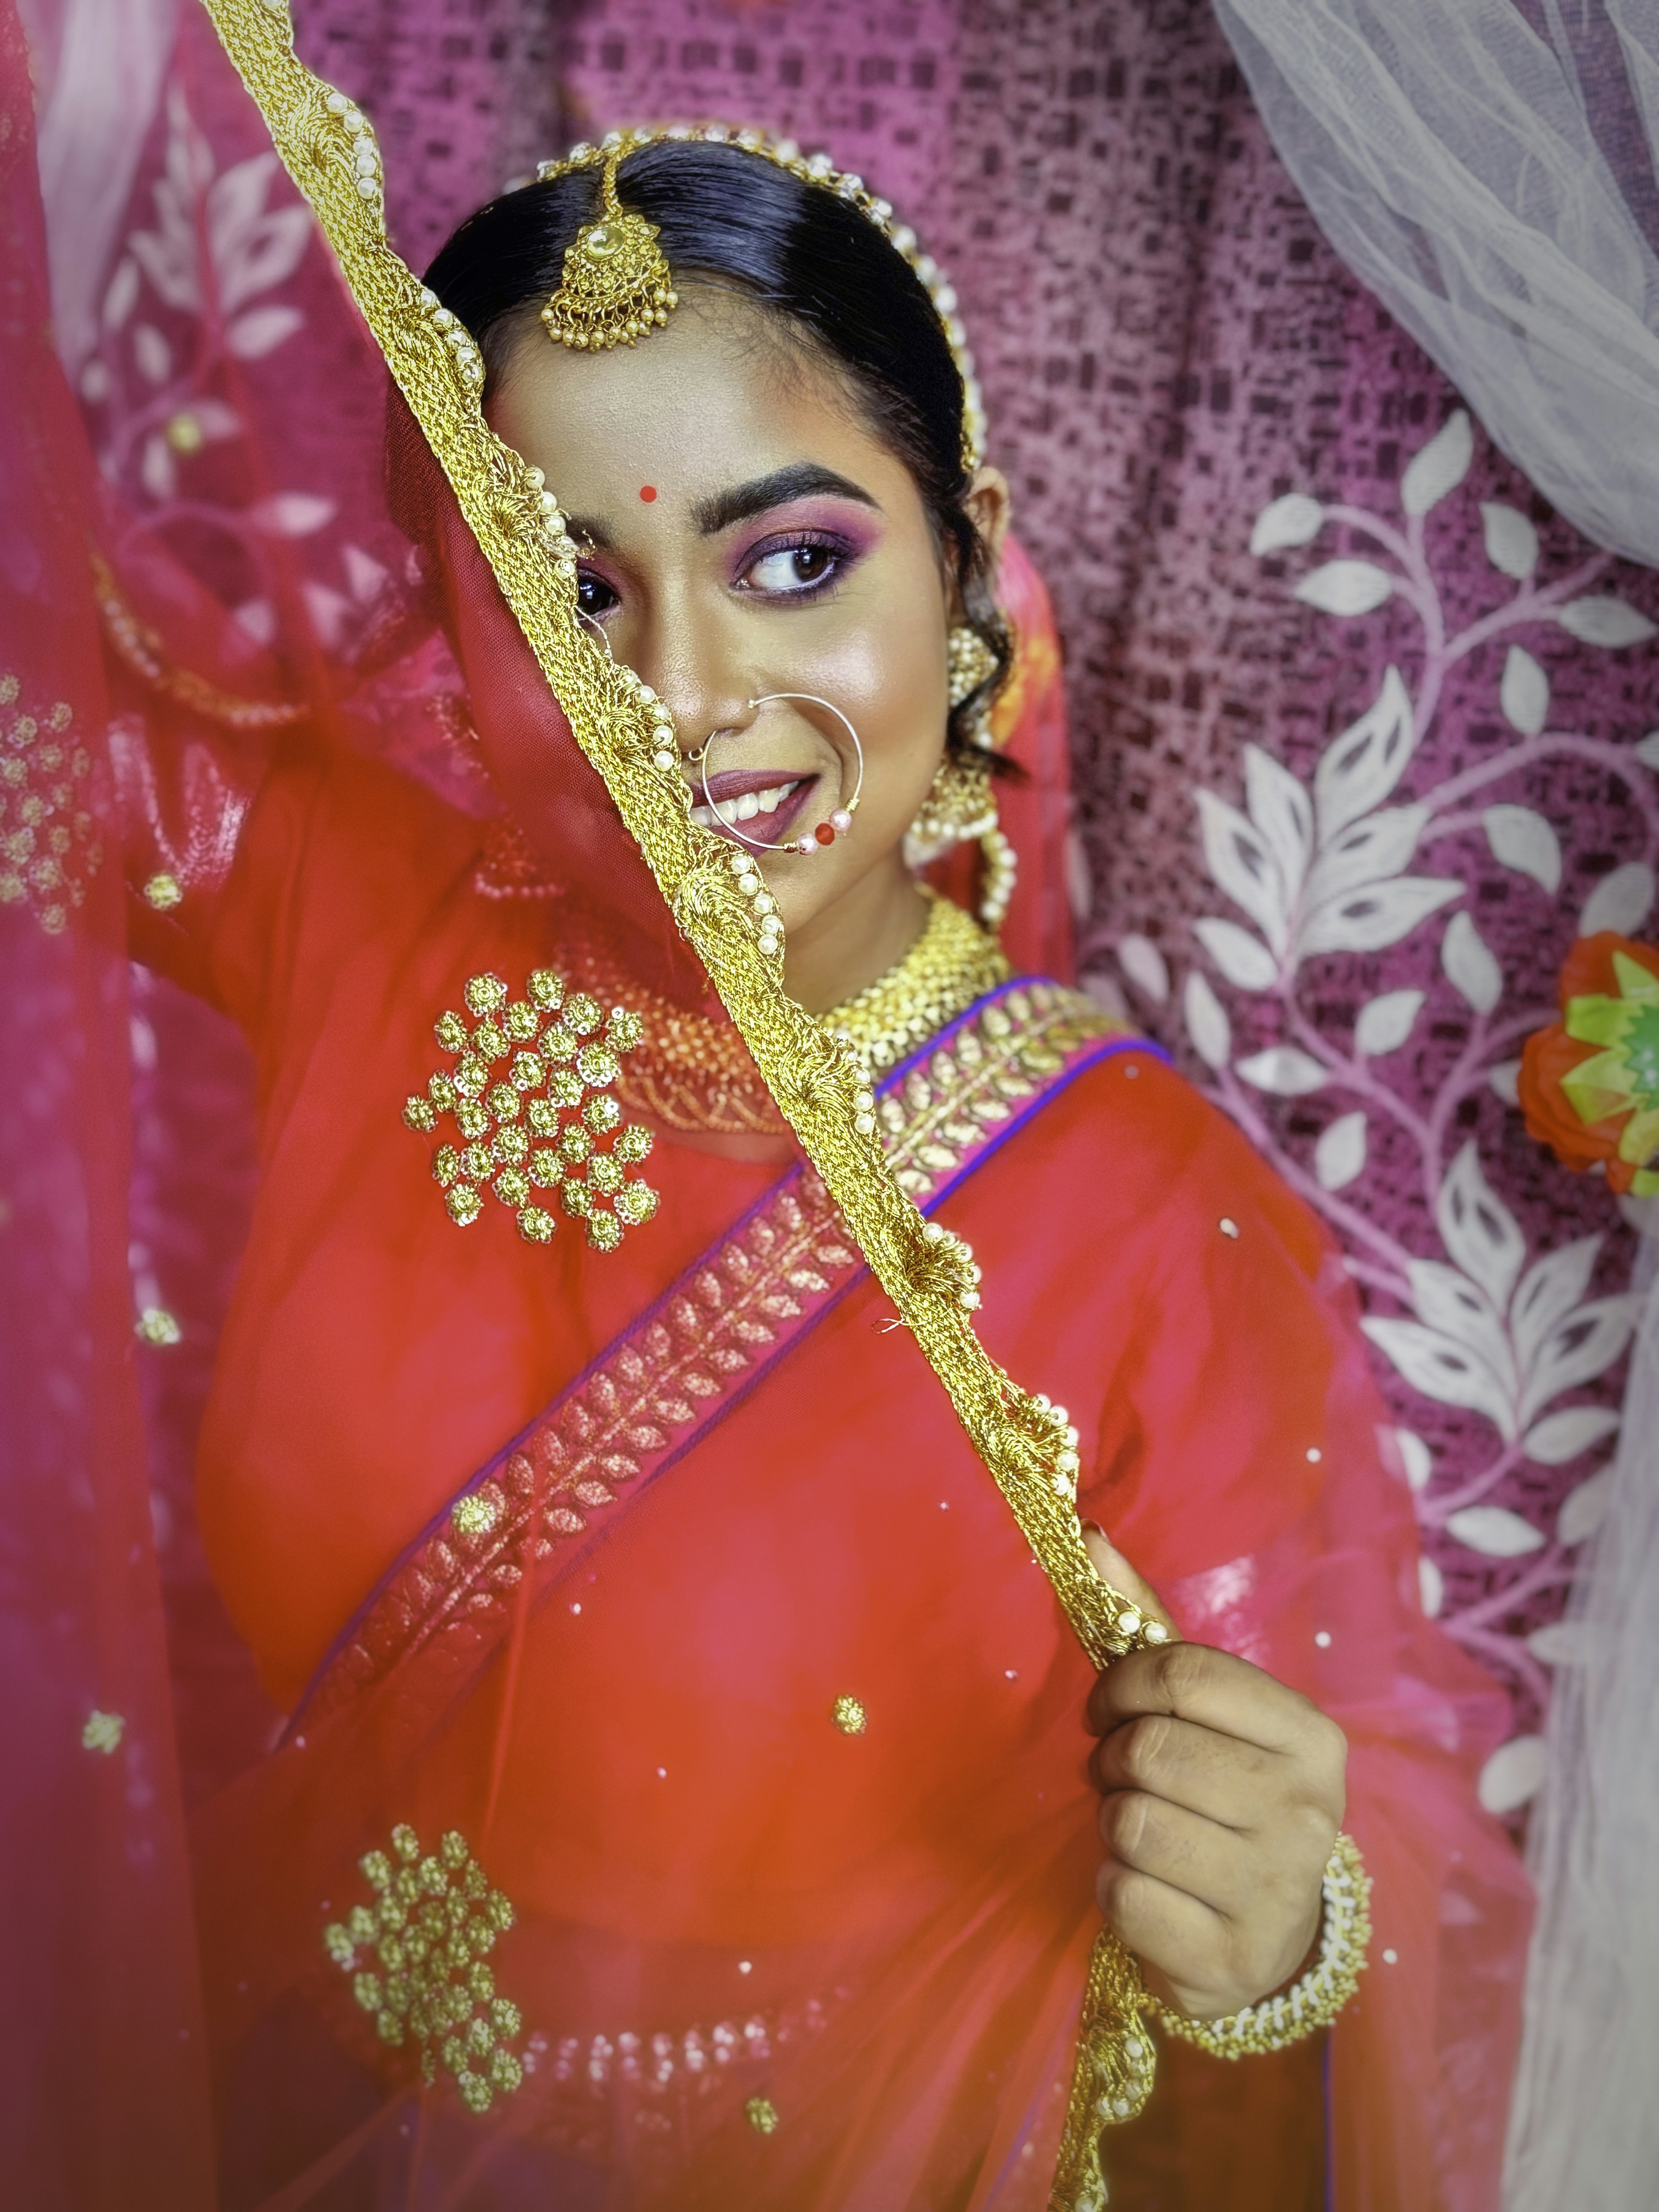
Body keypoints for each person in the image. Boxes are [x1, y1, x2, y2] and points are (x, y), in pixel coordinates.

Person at [7, 64, 1527, 2209]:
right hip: (292, 2104)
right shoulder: (349, 908)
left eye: (793, 559)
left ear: (970, 575)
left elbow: (1371, 1898)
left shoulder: (1150, 1227)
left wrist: (1281, 1934)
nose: (685, 701)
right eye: (569, 601)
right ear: (454, 643)